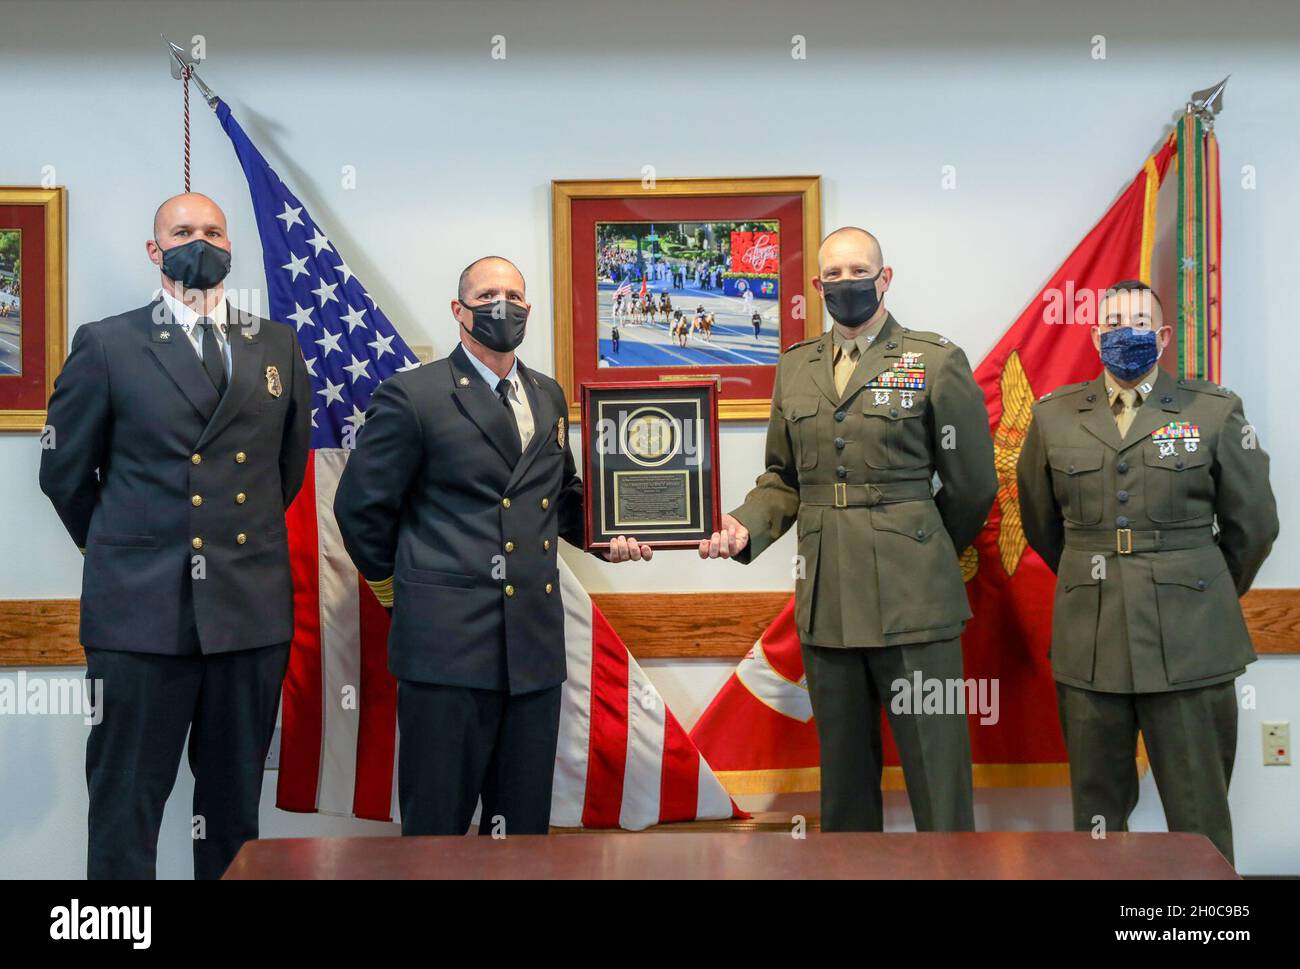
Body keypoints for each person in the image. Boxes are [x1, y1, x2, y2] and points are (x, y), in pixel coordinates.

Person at [38, 193, 312, 878]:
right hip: (140, 618)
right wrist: (121, 547)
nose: (201, 240)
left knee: (231, 817)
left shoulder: (274, 342)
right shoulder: (108, 343)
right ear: (154, 251)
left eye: (213, 230)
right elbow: (64, 473)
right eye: (183, 230)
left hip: (247, 617)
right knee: (125, 809)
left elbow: (287, 468)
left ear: (231, 248)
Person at [333, 256, 651, 837]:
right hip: (446, 649)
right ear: (459, 311)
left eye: (513, 295)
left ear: (528, 310)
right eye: (486, 295)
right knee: (437, 830)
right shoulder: (413, 396)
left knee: (522, 832)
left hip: (531, 648)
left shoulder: (548, 396)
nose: (501, 305)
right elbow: (359, 512)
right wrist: (415, 592)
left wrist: (611, 538)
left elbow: (563, 498)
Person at [699, 227, 996, 832]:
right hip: (828, 598)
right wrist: (741, 526)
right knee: (845, 789)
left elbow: (973, 486)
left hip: (916, 603)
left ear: (885, 279)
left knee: (937, 781)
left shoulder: (934, 360)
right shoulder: (796, 368)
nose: (845, 284)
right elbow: (783, 478)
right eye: (831, 276)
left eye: (858, 271)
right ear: (817, 286)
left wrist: (923, 548)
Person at [1017, 279, 1278, 864]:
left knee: (1199, 810)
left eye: (1137, 322)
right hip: (1092, 637)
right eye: (1112, 323)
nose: (1123, 333)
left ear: (1162, 335)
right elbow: (1041, 522)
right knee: (1097, 815)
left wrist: (1202, 587)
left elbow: (1254, 523)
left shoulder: (1213, 410)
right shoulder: (1056, 416)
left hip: (1192, 641)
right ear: (1094, 335)